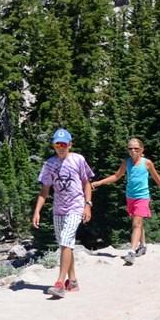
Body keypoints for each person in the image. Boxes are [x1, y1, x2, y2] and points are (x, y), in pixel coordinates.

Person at [32, 128, 94, 299]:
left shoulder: (78, 160)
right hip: (59, 209)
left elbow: (87, 182)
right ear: (53, 145)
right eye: (57, 144)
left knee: (67, 240)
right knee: (64, 244)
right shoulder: (49, 164)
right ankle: (72, 281)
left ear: (70, 144)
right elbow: (45, 190)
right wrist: (37, 211)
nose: (60, 147)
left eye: (64, 144)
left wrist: (87, 205)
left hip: (76, 206)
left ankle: (59, 283)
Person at [91, 137, 160, 264]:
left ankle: (131, 252)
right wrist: (99, 183)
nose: (133, 151)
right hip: (130, 197)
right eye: (130, 148)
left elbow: (156, 177)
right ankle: (143, 245)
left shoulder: (147, 163)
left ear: (142, 150)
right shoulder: (126, 162)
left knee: (136, 224)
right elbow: (117, 176)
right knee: (138, 222)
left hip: (142, 197)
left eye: (136, 148)